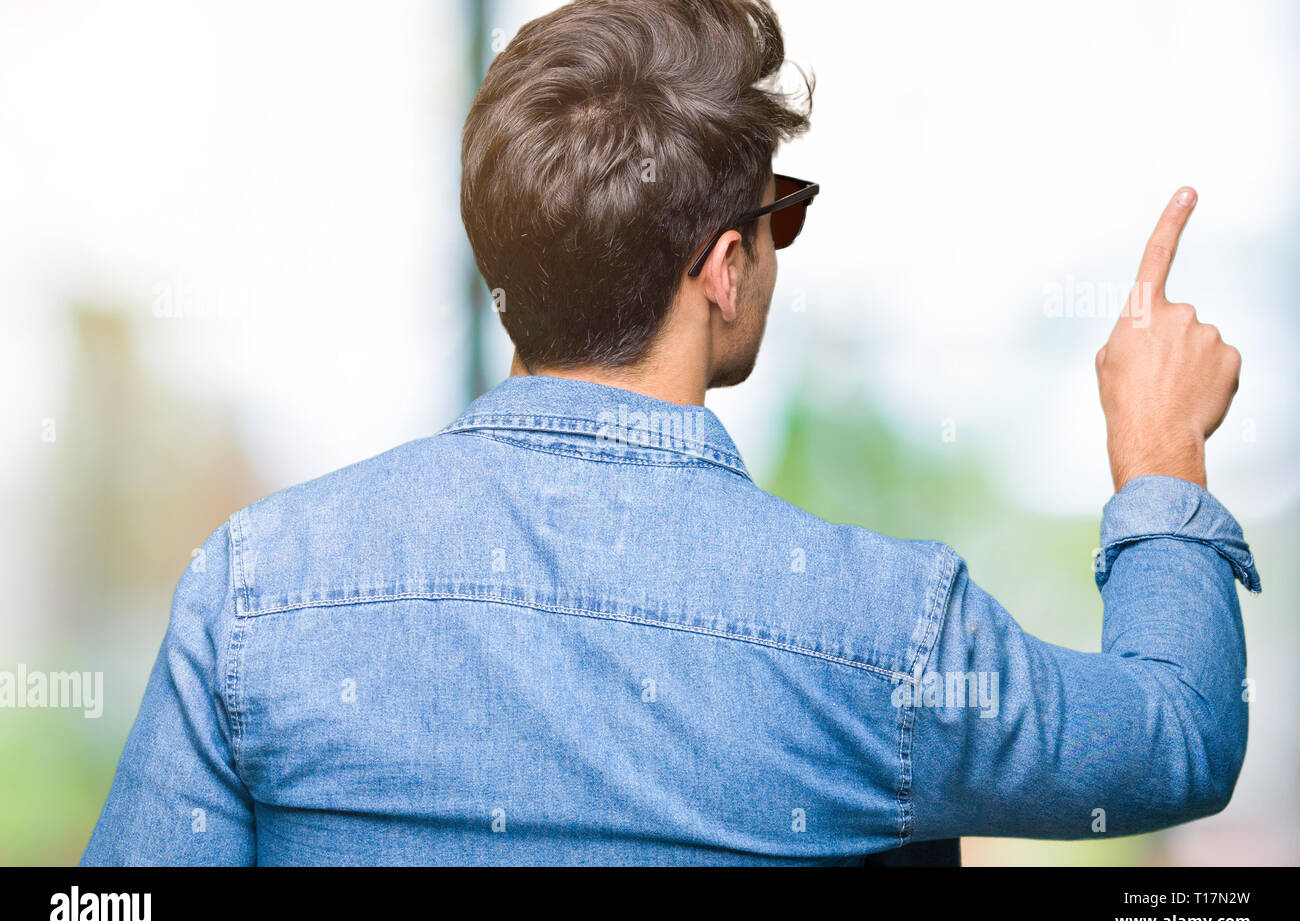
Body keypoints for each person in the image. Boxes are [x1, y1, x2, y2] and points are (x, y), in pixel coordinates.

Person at [82, 0, 1256, 866]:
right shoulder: (882, 629)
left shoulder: (257, 586)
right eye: (776, 218)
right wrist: (1160, 453)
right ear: (724, 265)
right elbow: (1174, 739)